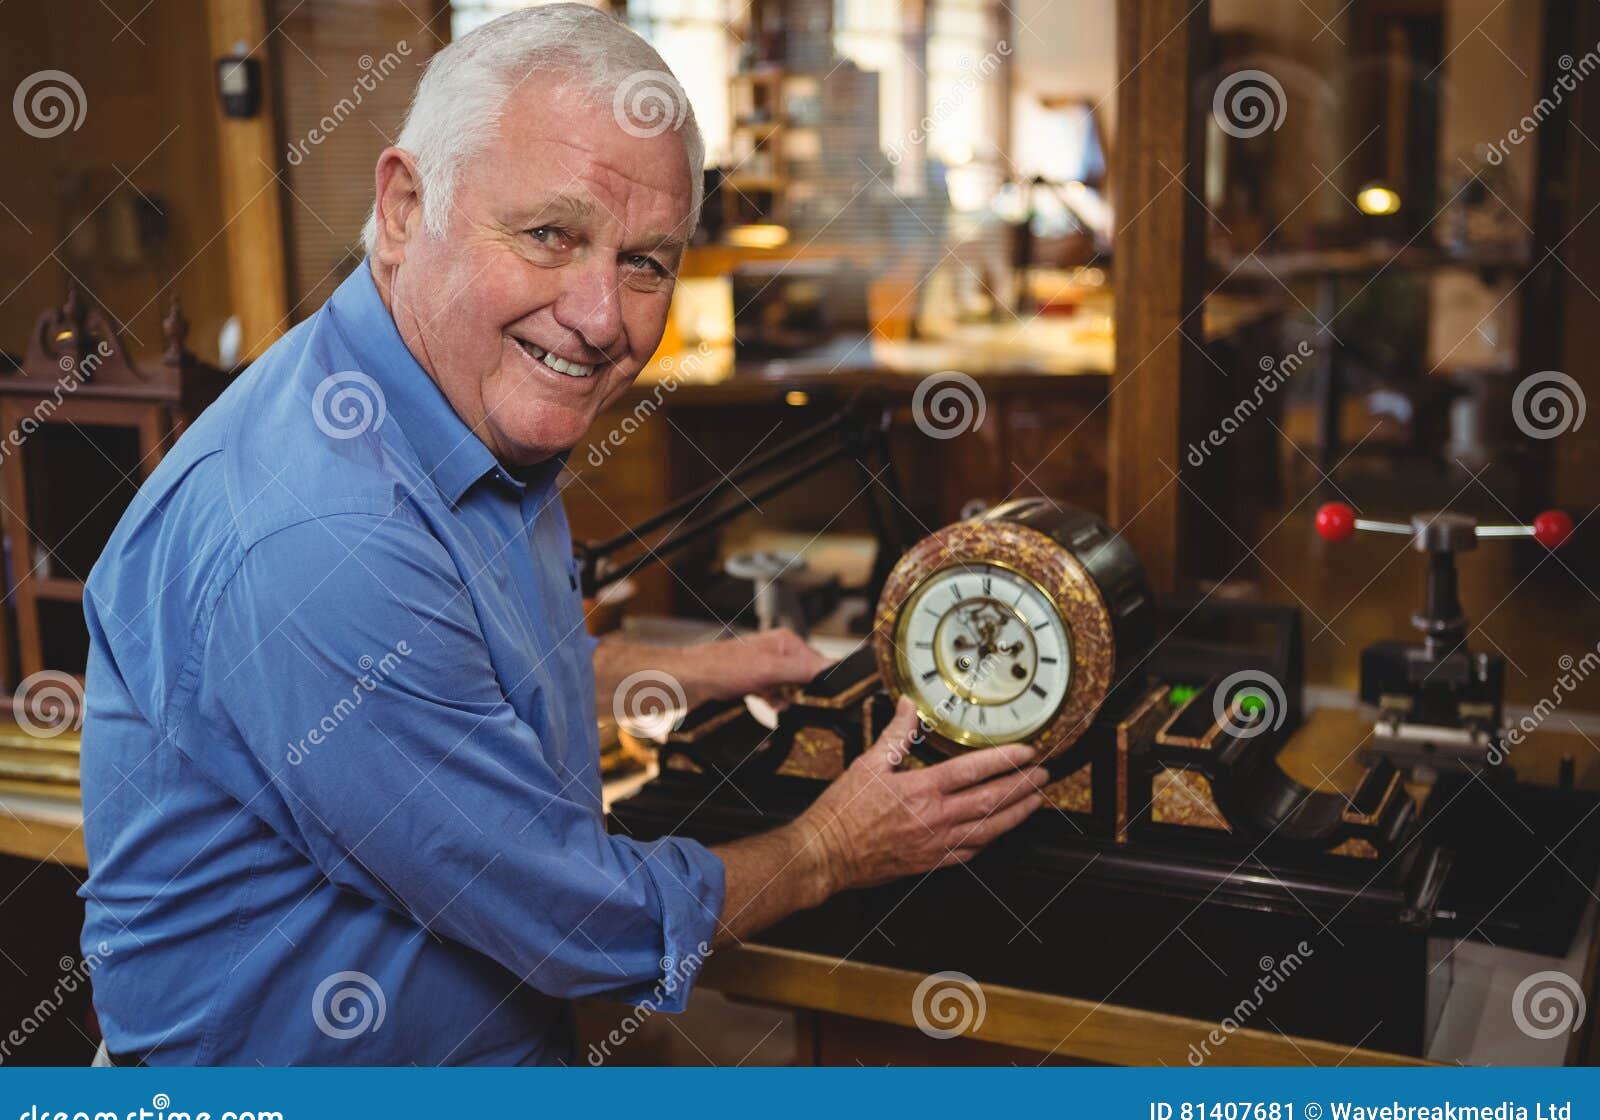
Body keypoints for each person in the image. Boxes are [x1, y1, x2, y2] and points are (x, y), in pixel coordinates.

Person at [78, 3, 1045, 1065]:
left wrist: (672, 669)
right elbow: (581, 926)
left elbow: (444, 669)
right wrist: (829, 847)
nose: (601, 317)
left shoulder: (456, 402)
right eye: (550, 235)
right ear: (403, 206)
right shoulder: (317, 535)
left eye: (647, 262)